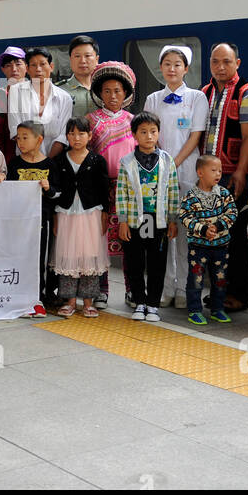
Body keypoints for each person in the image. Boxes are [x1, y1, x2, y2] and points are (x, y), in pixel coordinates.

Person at [143, 45, 208, 307]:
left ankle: (185, 288)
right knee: (163, 231)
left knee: (185, 232)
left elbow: (195, 136)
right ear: (161, 68)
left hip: (187, 170)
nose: (172, 68)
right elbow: (148, 134)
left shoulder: (197, 98)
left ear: (186, 69)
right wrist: (161, 164)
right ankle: (167, 286)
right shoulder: (152, 99)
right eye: (167, 64)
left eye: (177, 64)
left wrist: (174, 163)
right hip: (158, 170)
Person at [200, 43, 248, 312]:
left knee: (234, 237)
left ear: (238, 63)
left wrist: (240, 172)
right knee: (212, 237)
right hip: (208, 178)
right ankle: (217, 291)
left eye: (226, 61)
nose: (220, 67)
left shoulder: (247, 93)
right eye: (215, 62)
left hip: (233, 177)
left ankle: (238, 294)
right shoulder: (205, 92)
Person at [117, 111, 179, 322]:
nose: (149, 136)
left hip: (158, 220)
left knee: (157, 263)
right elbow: (122, 193)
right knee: (135, 262)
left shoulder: (167, 160)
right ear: (134, 135)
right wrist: (123, 221)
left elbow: (172, 191)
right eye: (143, 132)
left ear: (158, 133)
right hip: (136, 220)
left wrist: (173, 219)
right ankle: (139, 301)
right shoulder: (126, 162)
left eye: (153, 131)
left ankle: (152, 304)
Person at [87, 61, 137, 309]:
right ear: (99, 93)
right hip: (100, 187)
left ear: (126, 93)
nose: (112, 96)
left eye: (118, 90)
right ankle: (102, 289)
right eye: (107, 91)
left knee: (129, 240)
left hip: (127, 189)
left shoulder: (133, 121)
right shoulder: (91, 121)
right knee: (100, 240)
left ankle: (131, 289)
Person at [51, 117, 110, 318]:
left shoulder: (97, 160)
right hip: (66, 214)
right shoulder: (59, 160)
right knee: (68, 256)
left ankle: (88, 302)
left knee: (89, 256)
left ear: (90, 136)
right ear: (66, 136)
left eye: (81, 133)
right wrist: (56, 218)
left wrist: (105, 214)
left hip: (90, 214)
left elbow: (104, 190)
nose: (76, 138)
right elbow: (56, 189)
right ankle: (69, 301)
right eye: (72, 134)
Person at [8, 120, 61, 316]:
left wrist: (48, 188)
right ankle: (18, 297)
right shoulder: (14, 163)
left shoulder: (49, 165)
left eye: (25, 137)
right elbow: (8, 192)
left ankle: (37, 298)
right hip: (19, 222)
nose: (20, 142)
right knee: (19, 258)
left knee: (40, 260)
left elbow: (58, 194)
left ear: (39, 140)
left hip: (42, 222)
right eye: (18, 138)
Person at [180, 155, 239, 325]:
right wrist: (203, 229)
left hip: (220, 246)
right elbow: (185, 217)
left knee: (219, 279)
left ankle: (217, 308)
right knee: (196, 279)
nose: (218, 174)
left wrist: (219, 227)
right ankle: (195, 310)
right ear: (200, 172)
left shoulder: (224, 194)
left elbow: (232, 213)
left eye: (220, 170)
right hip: (198, 247)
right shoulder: (191, 197)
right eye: (213, 170)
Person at [8, 47, 73, 159]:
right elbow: (15, 129)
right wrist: (33, 159)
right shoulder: (16, 92)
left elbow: (62, 136)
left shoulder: (64, 98)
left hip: (54, 161)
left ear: (51, 67)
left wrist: (46, 162)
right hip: (25, 160)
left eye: (43, 64)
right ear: (27, 69)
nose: (38, 69)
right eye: (33, 65)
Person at [60, 35, 99, 119]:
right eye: (77, 56)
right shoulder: (60, 91)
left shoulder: (105, 88)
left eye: (88, 56)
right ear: (70, 60)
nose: (83, 61)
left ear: (97, 59)